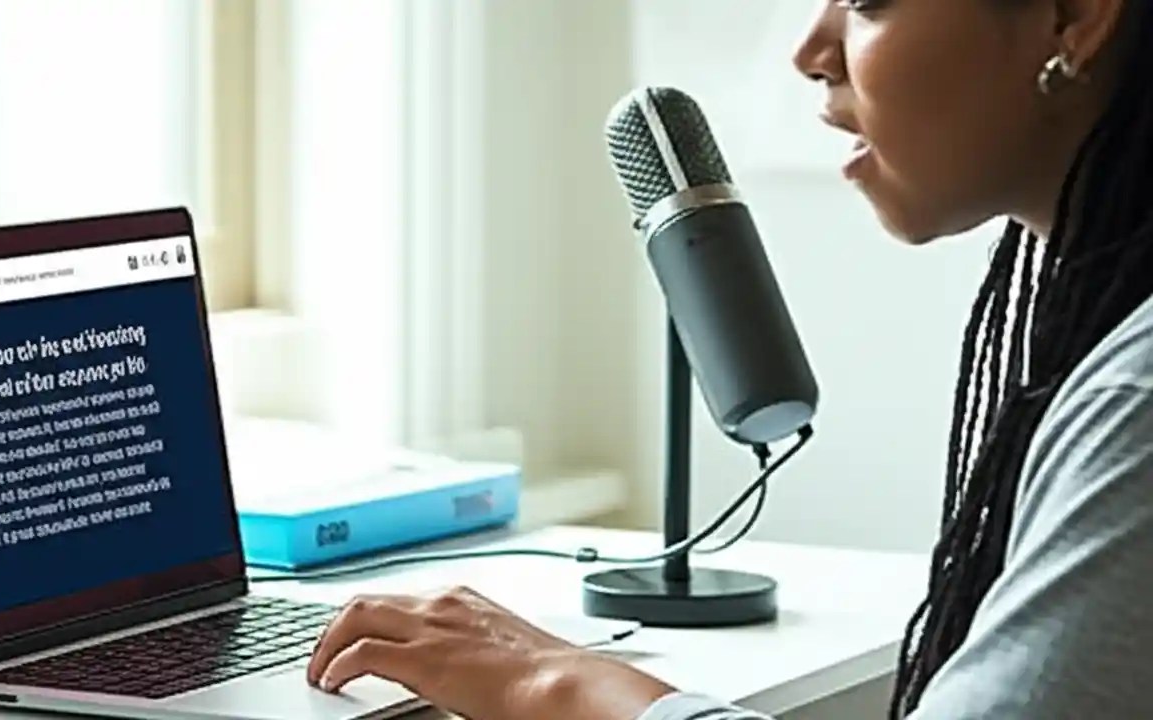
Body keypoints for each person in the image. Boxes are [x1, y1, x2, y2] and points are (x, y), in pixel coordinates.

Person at [306, 0, 1153, 717]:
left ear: (1074, 17)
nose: (812, 51)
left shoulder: (1136, 402)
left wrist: (558, 681)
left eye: (865, 0)